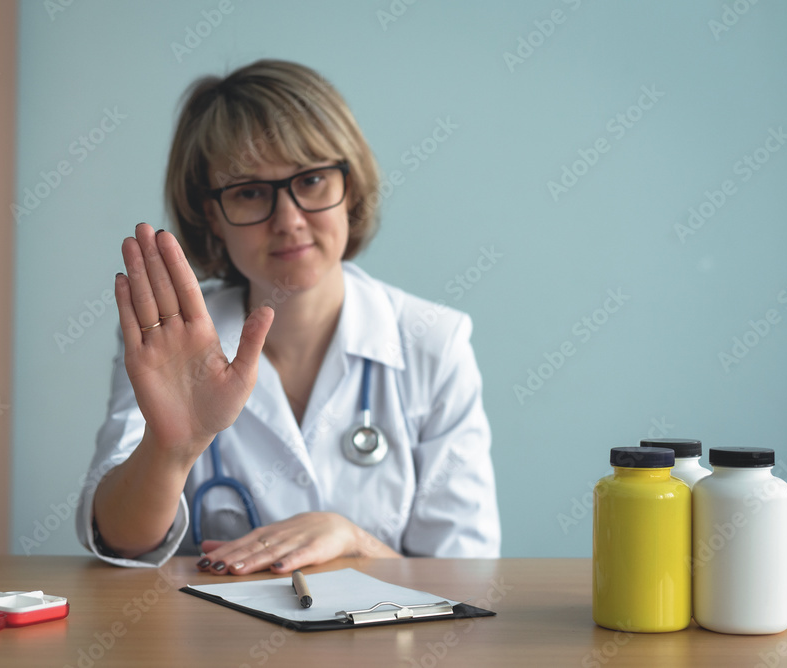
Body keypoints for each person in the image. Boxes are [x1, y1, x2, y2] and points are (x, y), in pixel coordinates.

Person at [76, 59, 499, 572]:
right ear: (212, 214)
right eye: (251, 191)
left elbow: (468, 578)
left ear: (351, 186)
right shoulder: (171, 340)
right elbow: (120, 540)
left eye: (313, 180)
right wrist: (172, 448)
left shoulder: (435, 341)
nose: (289, 219)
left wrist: (352, 540)